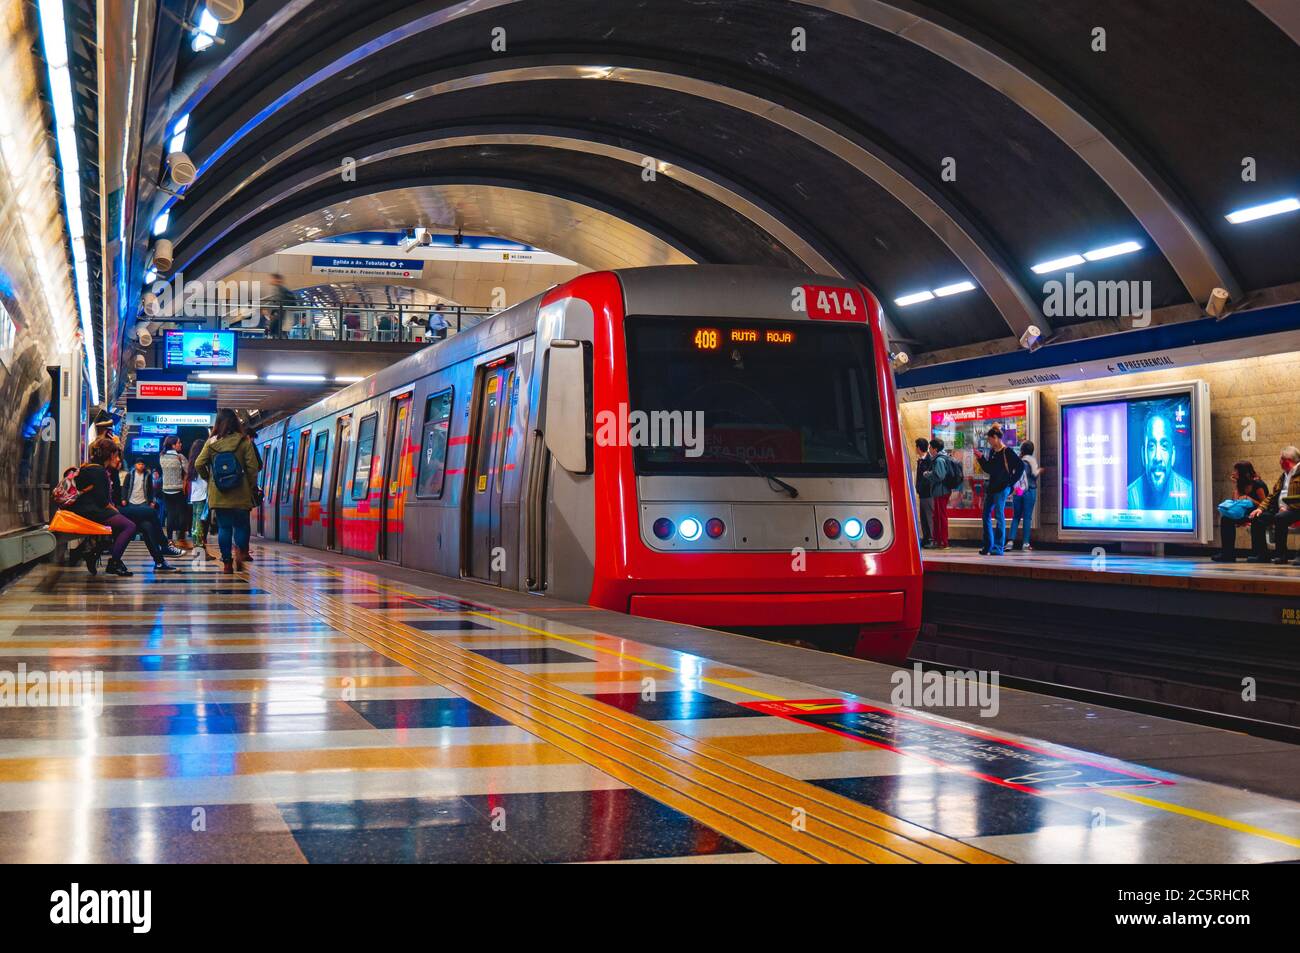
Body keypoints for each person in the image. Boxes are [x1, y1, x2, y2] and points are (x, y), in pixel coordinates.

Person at [196, 409, 261, 573]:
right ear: (236, 423)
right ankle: (240, 551)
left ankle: (226, 563)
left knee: (224, 528)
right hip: (241, 494)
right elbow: (253, 468)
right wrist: (251, 486)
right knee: (242, 526)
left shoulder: (211, 442)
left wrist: (209, 479)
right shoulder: (244, 441)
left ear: (218, 423)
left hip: (219, 494)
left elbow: (198, 464)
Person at [68, 438, 138, 576]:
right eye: (116, 455)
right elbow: (103, 501)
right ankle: (114, 562)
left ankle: (95, 554)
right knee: (130, 526)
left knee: (130, 525)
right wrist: (116, 511)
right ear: (111, 455)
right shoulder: (99, 471)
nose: (117, 458)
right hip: (93, 511)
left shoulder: (88, 467)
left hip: (87, 509)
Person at [1126, 405, 1195, 511]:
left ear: (1173, 455)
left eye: (1164, 446)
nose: (1157, 457)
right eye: (1151, 446)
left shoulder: (1190, 495)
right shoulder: (1129, 498)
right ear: (1143, 455)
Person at [120, 459, 182, 572]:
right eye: (139, 463)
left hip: (141, 503)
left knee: (148, 526)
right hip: (127, 507)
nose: (119, 460)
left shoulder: (147, 475)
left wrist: (151, 501)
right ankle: (164, 545)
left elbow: (150, 489)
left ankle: (159, 562)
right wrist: (124, 499)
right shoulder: (129, 474)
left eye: (142, 464)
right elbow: (124, 488)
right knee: (152, 514)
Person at [975, 425, 1024, 556]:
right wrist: (980, 458)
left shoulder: (1007, 452)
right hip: (992, 487)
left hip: (1002, 488)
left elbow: (1021, 466)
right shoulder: (993, 452)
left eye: (990, 439)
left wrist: (1011, 482)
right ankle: (988, 545)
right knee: (985, 514)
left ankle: (998, 547)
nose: (989, 442)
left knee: (999, 516)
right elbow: (989, 469)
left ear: (996, 438)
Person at [1249, 447, 1300, 564]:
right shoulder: (1284, 476)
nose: (1279, 462)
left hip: (1295, 509)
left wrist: (1289, 507)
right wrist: (1260, 508)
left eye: (1281, 459)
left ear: (1288, 460)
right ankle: (1262, 554)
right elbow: (1272, 495)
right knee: (1257, 518)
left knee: (1280, 518)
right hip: (1280, 509)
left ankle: (1281, 555)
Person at [1212, 461, 1270, 563]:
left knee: (1256, 518)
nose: (1233, 473)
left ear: (1243, 473)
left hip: (1259, 512)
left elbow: (1264, 504)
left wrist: (1249, 498)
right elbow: (1235, 501)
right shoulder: (1241, 485)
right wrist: (1236, 486)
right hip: (1245, 513)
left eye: (1236, 471)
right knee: (1226, 519)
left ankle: (1259, 554)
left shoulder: (1257, 484)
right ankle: (1228, 554)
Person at [1008, 440, 1043, 552]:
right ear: (1031, 450)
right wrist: (1040, 471)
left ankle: (1010, 542)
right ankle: (1025, 544)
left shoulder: (1018, 460)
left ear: (1022, 449)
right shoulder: (1031, 460)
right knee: (1027, 517)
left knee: (1016, 516)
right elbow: (1034, 475)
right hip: (1029, 490)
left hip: (1018, 490)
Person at [159, 435, 192, 549]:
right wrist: (184, 481)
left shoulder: (162, 456)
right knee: (183, 514)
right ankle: (181, 538)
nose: (180, 444)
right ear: (173, 445)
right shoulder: (180, 457)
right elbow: (189, 470)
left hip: (166, 489)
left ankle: (169, 539)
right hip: (178, 489)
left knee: (170, 514)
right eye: (179, 443)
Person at [926, 437, 958, 550]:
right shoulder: (943, 458)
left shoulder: (939, 460)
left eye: (930, 447)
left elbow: (939, 476)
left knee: (941, 516)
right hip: (942, 491)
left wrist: (928, 474)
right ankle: (938, 541)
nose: (929, 449)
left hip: (941, 491)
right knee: (938, 516)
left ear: (935, 449)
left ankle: (943, 542)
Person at [186, 437, 212, 557]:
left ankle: (198, 548)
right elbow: (206, 479)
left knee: (196, 523)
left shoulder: (191, 463)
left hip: (195, 496)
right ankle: (200, 551)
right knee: (201, 523)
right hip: (202, 495)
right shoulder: (202, 463)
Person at [914, 437, 934, 548]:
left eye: (916, 446)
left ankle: (931, 538)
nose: (915, 449)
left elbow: (928, 478)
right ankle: (926, 538)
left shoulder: (929, 460)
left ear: (919, 447)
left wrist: (921, 487)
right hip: (922, 493)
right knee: (923, 518)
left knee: (928, 516)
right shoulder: (921, 460)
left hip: (928, 493)